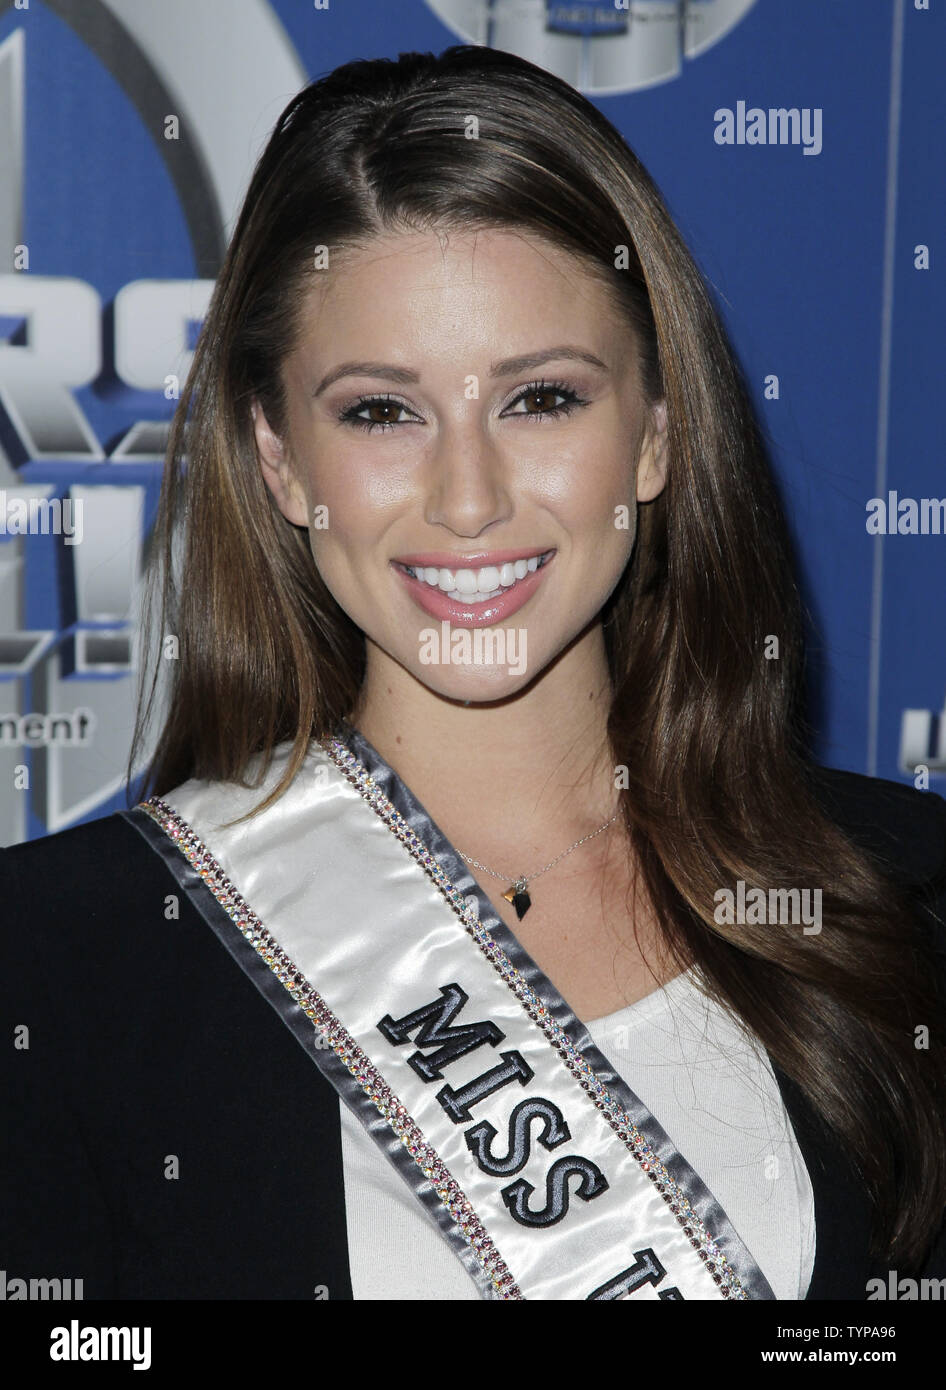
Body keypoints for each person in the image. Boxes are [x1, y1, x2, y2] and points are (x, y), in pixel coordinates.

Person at [2, 44, 945, 1303]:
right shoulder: (61, 961)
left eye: (541, 397)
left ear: (655, 436)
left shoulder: (903, 901)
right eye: (381, 412)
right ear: (279, 459)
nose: (468, 498)